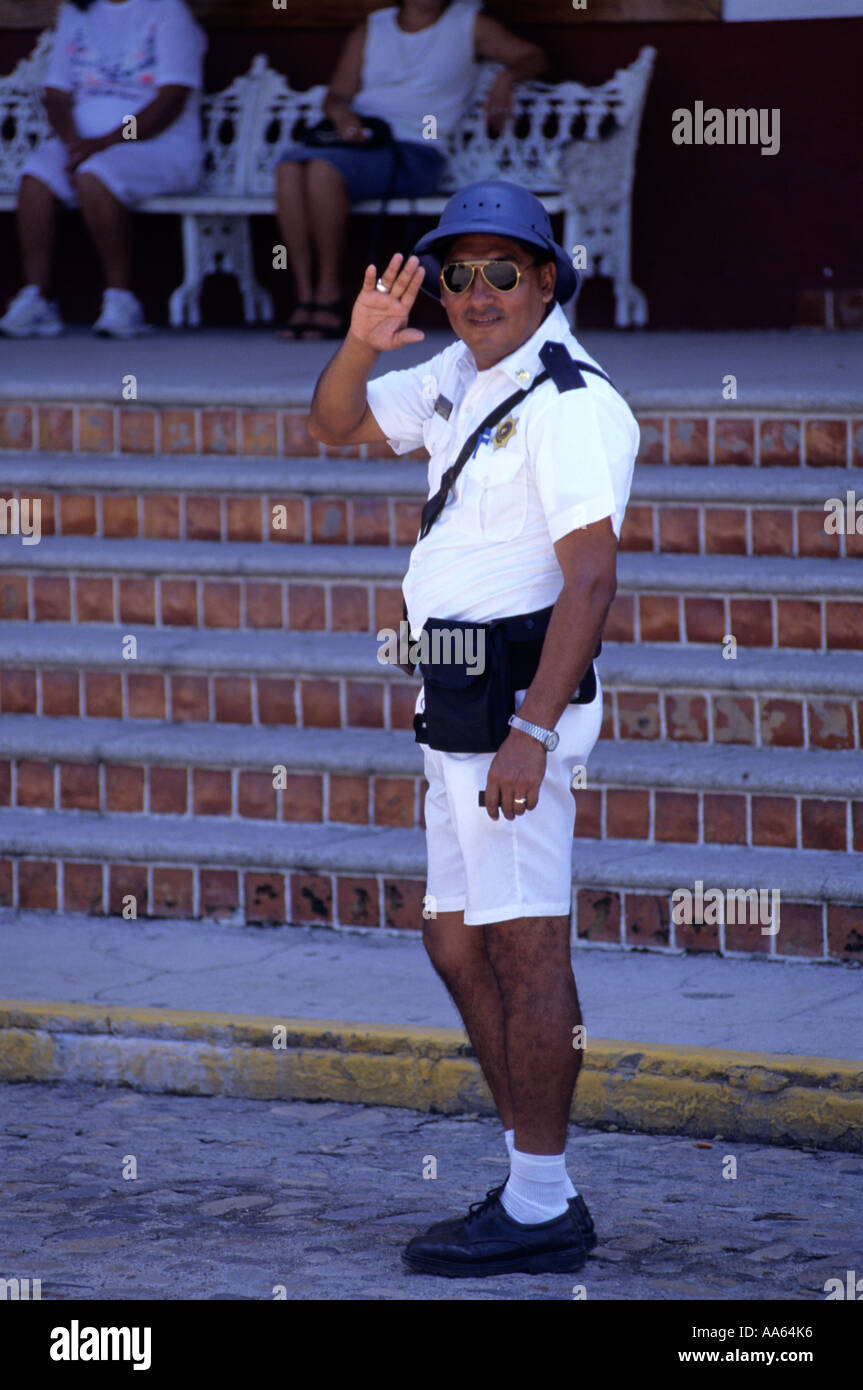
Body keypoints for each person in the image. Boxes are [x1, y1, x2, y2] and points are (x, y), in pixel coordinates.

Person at [307, 180, 639, 1278]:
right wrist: (359, 344)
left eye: (503, 271)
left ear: (547, 281)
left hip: (514, 703)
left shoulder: (568, 400)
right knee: (453, 936)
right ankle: (529, 1173)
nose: (476, 291)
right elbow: (337, 420)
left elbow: (589, 578)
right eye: (457, 273)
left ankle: (542, 1199)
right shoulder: (456, 372)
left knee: (525, 938)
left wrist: (533, 733)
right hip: (451, 696)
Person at [275, 0, 546, 340]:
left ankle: (329, 294)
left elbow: (534, 57)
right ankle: (305, 295)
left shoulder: (469, 23)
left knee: (320, 171)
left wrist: (506, 78)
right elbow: (336, 95)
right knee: (288, 168)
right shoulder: (373, 27)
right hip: (363, 143)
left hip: (417, 153)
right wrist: (343, 116)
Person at [0, 0, 207, 340]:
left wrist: (102, 144)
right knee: (35, 175)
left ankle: (121, 299)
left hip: (159, 148)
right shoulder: (76, 11)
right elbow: (55, 94)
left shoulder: (168, 11)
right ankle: (36, 298)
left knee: (96, 175)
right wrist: (73, 144)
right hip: (81, 145)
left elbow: (170, 100)